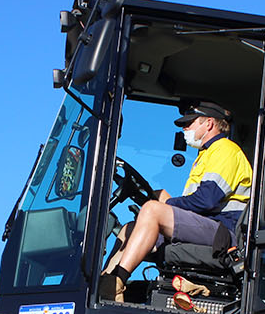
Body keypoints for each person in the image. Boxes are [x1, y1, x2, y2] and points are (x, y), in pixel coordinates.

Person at [98, 101, 252, 302]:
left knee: (153, 210)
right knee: (130, 228)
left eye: (190, 123)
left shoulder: (225, 150)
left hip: (224, 233)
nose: (185, 128)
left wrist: (166, 205)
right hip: (208, 225)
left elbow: (206, 201)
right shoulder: (205, 154)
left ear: (209, 123)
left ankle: (118, 282)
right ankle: (103, 283)